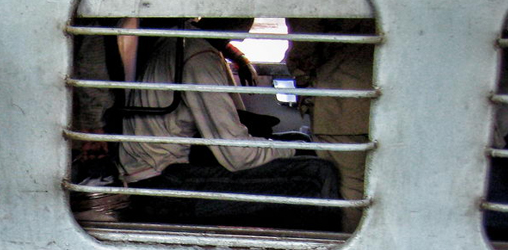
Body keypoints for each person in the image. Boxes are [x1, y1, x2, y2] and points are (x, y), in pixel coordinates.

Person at [117, 18, 342, 231]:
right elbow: (237, 155)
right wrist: (295, 150)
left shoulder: (185, 37)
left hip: (160, 166)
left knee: (299, 140)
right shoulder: (200, 59)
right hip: (162, 183)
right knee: (318, 173)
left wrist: (236, 55)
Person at [285, 18, 376, 231]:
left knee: (350, 186)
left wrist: (303, 78)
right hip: (382, 100)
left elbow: (305, 43)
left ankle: (349, 243)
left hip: (340, 102)